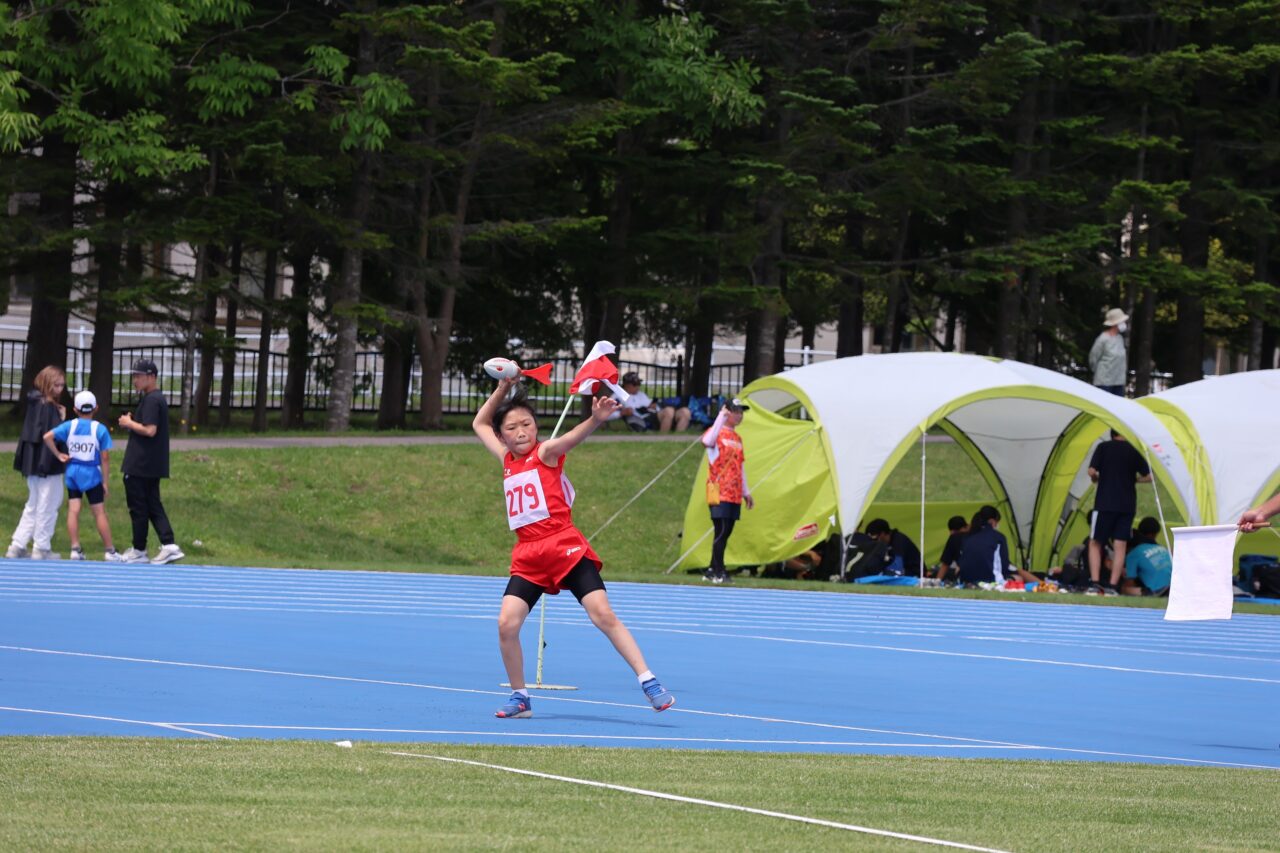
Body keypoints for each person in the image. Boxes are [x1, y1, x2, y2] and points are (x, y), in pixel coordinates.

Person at [471, 373, 675, 719]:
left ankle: (649, 680)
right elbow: (479, 422)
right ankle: (520, 697)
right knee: (506, 625)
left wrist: (595, 419)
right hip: (529, 554)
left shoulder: (546, 453)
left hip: (564, 546)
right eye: (511, 428)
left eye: (527, 424)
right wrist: (503, 387)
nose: (520, 432)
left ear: (536, 427)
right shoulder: (507, 461)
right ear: (503, 434)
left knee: (602, 614)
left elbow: (570, 439)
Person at [118, 359, 183, 565]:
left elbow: (150, 430)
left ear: (152, 377)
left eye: (139, 376)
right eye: (134, 376)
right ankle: (168, 544)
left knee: (138, 507)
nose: (135, 380)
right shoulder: (154, 398)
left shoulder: (152, 400)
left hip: (141, 464)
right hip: (150, 464)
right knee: (152, 504)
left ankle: (139, 549)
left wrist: (129, 423)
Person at [43, 391, 121, 562]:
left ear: (75, 409)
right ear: (96, 408)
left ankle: (75, 548)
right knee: (99, 512)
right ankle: (109, 550)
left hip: (72, 473)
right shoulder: (99, 429)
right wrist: (105, 482)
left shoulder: (69, 426)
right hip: (91, 473)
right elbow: (105, 457)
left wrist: (58, 454)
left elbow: (47, 437)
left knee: (74, 510)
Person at [7, 366, 68, 559]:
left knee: (34, 503)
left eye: (62, 386)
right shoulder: (48, 408)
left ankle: (18, 544)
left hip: (32, 461)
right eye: (57, 385)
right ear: (48, 384)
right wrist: (62, 420)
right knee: (48, 502)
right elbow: (51, 435)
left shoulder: (35, 403)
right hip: (46, 462)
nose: (60, 389)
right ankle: (41, 547)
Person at [1086, 430, 1151, 595]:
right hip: (1127, 505)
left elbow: (1092, 471)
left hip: (1104, 503)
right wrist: (1136, 480)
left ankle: (1095, 582)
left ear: (1111, 434)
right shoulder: (1133, 450)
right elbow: (1150, 476)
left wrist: (1096, 478)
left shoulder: (1103, 447)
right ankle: (1113, 586)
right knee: (1120, 545)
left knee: (1095, 542)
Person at [702, 398, 754, 584]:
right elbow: (707, 441)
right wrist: (720, 417)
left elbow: (740, 467)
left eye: (741, 411)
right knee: (721, 530)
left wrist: (746, 492)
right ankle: (718, 569)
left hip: (734, 492)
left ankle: (712, 567)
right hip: (718, 489)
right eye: (735, 411)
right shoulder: (717, 432)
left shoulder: (737, 438)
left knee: (726, 530)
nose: (739, 415)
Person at [1121, 517, 1172, 596]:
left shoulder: (1133, 554)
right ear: (1156, 534)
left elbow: (1129, 583)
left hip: (1159, 591)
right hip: (1174, 587)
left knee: (1123, 589)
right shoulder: (1163, 548)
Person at [1088, 307, 1129, 396]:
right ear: (1115, 323)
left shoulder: (1120, 338)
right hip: (1104, 383)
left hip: (1118, 381)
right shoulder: (1103, 339)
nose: (1124, 323)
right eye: (1122, 321)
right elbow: (1093, 358)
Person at [933, 515, 969, 582]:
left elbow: (945, 564)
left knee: (935, 573)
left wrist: (936, 582)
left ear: (952, 531)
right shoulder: (977, 535)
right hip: (987, 573)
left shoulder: (954, 538)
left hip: (966, 577)